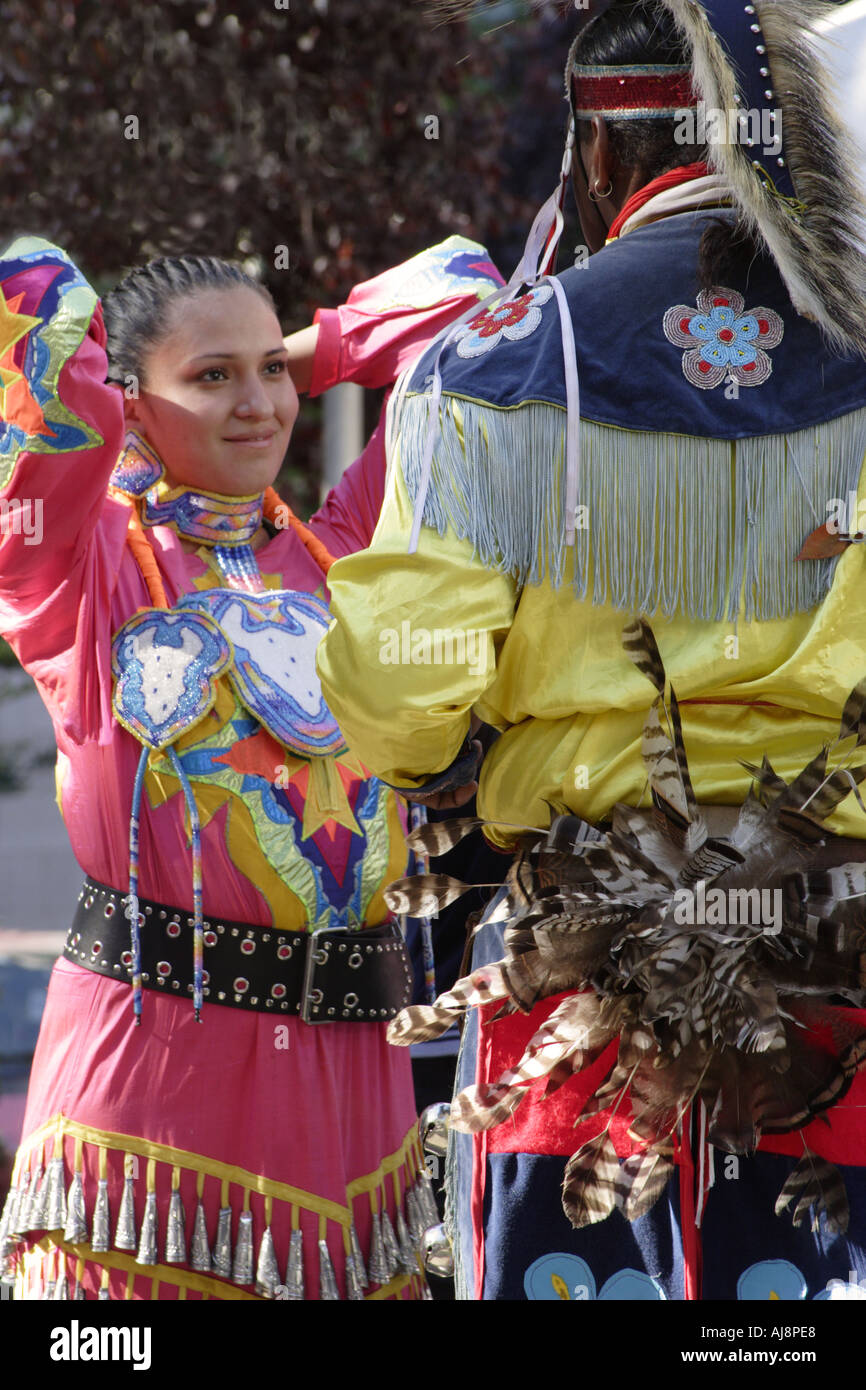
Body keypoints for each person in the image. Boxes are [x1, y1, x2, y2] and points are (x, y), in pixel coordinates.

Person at [317, 0, 866, 1300]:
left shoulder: (497, 367)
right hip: (834, 973)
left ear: (599, 155)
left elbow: (396, 693)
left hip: (584, 983)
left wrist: (451, 748)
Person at [0, 232, 501, 1300]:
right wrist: (156, 402)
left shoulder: (348, 549)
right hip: (150, 1096)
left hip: (352, 1103)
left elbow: (472, 303)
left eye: (269, 371)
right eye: (212, 377)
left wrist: (305, 354)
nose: (259, 404)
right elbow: (33, 291)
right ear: (130, 402)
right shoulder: (81, 571)